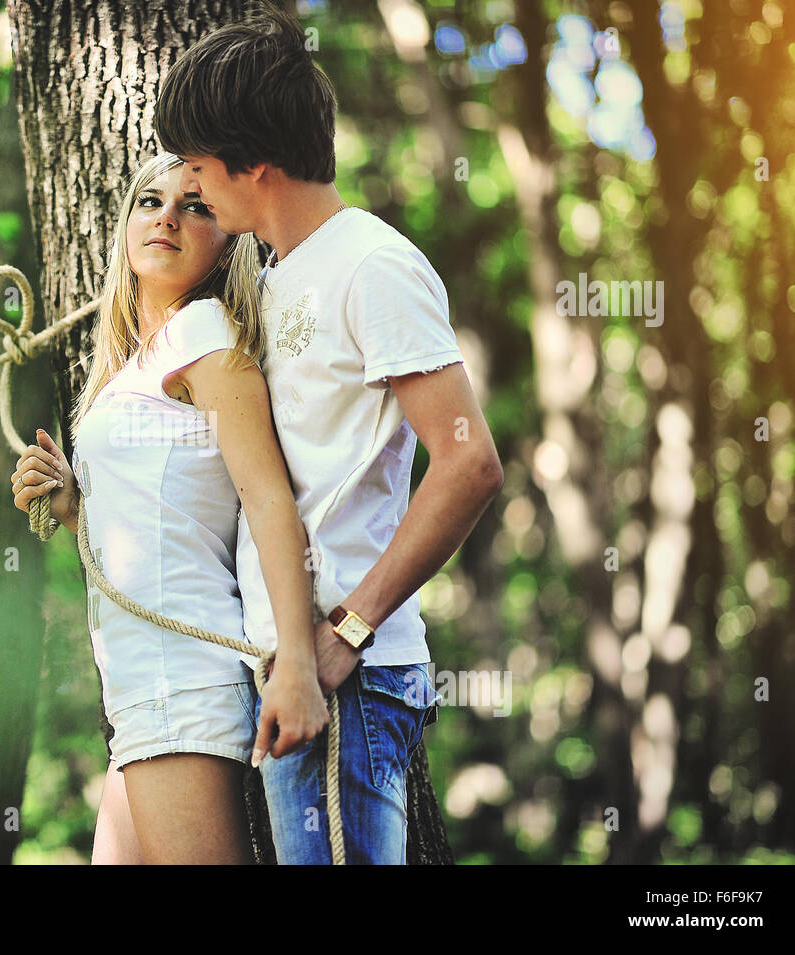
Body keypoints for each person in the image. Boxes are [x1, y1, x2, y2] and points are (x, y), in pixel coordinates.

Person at [152, 3, 504, 864]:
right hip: (291, 670)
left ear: (255, 164)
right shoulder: (273, 276)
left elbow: (469, 463)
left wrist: (346, 631)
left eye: (197, 162)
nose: (189, 182)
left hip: (348, 679)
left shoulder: (372, 266)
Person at [10, 151, 328, 864]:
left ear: (228, 239)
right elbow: (165, 521)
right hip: (140, 691)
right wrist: (72, 507)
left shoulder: (204, 331)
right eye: (150, 202)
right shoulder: (135, 364)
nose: (167, 218)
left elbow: (267, 496)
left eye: (196, 205)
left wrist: (296, 662)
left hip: (180, 679)